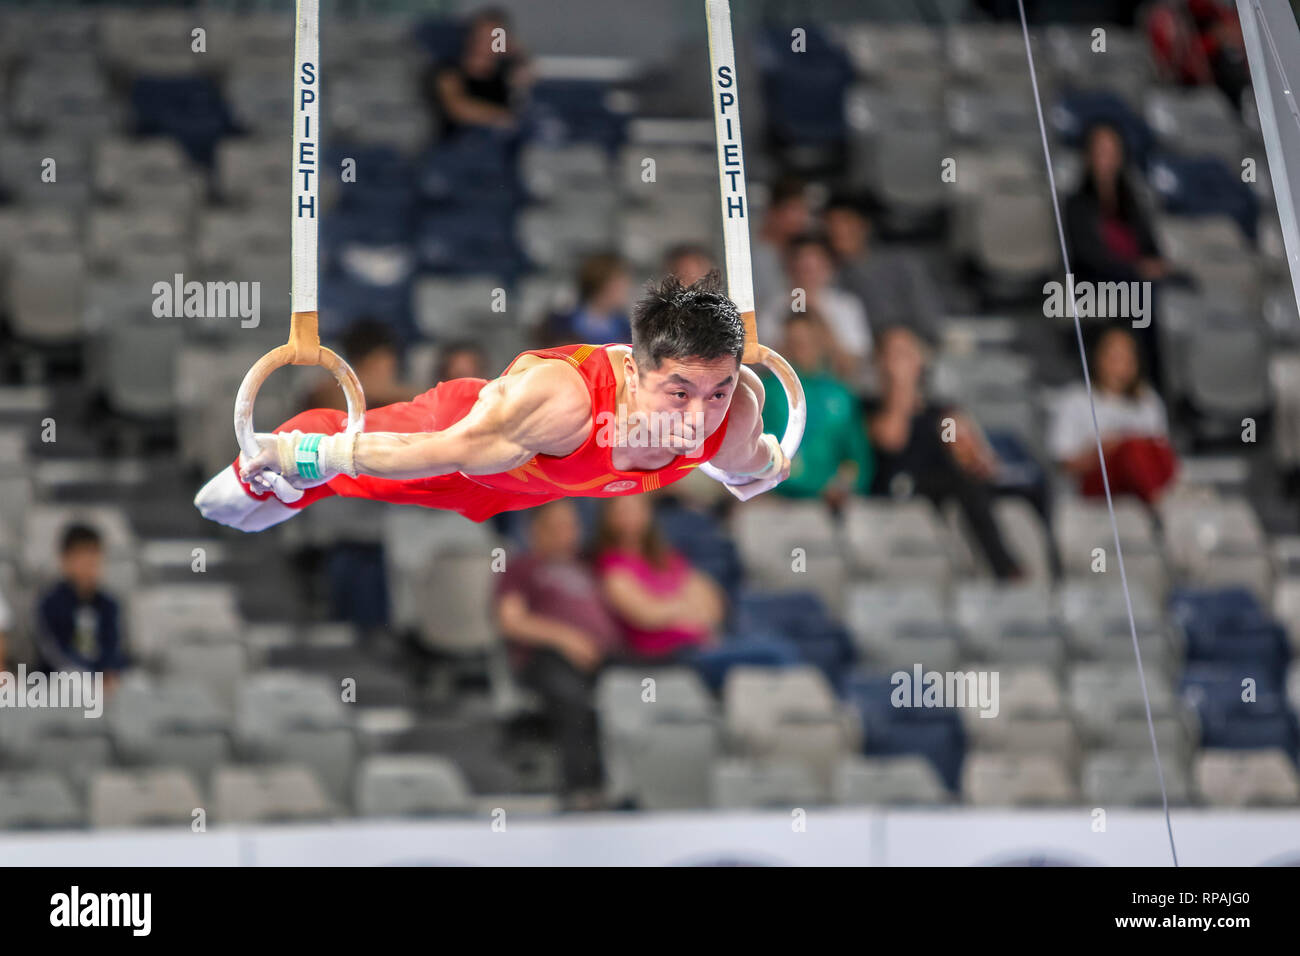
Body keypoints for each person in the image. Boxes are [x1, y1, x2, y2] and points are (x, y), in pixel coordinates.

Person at [194, 271, 792, 532]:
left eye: (716, 392)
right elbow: (440, 451)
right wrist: (314, 456)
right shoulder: (560, 403)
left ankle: (289, 475)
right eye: (679, 393)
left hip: (523, 492)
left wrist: (767, 465)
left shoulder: (734, 413)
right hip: (467, 444)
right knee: (300, 468)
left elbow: (755, 468)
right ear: (634, 373)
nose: (696, 418)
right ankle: (269, 465)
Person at [867, 326, 1022, 580]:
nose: (899, 362)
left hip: (946, 486)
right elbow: (890, 441)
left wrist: (970, 451)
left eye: (906, 354)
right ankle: (1005, 569)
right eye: (893, 354)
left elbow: (976, 458)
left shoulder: (942, 412)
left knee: (981, 484)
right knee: (963, 486)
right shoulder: (870, 406)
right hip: (897, 483)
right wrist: (901, 390)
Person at [495, 499, 617, 809]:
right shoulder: (520, 567)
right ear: (535, 530)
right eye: (557, 526)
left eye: (572, 526)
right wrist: (566, 639)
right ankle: (584, 791)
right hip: (545, 658)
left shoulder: (587, 567)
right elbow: (512, 621)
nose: (567, 534)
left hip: (604, 658)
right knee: (572, 699)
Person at [1050, 327, 1178, 505]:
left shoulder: (1148, 400)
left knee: (1148, 451)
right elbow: (1064, 463)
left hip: (1140, 478)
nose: (1119, 363)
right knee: (1131, 450)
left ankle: (1153, 496)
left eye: (1126, 356)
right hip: (1096, 481)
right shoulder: (1074, 400)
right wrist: (1102, 452)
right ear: (1098, 358)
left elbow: (1160, 453)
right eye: (1113, 356)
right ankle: (1154, 501)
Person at [761, 311, 873, 509]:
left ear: (822, 342)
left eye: (807, 341)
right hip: (774, 499)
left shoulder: (842, 394)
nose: (801, 349)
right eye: (794, 342)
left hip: (831, 503)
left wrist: (842, 486)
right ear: (784, 344)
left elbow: (858, 458)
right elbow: (749, 449)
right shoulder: (764, 391)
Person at [593, 495, 724, 660]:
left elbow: (711, 603)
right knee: (764, 655)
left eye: (636, 508)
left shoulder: (667, 558)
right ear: (608, 516)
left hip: (702, 644)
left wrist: (671, 608)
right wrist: (685, 607)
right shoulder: (613, 566)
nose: (631, 516)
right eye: (623, 510)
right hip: (662, 652)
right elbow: (645, 614)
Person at [823, 194, 943, 345]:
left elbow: (929, 322)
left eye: (845, 222)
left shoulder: (903, 265)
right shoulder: (825, 273)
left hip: (905, 354)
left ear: (864, 225)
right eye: (832, 224)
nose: (838, 231)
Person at [760, 232, 871, 380]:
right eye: (802, 269)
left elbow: (852, 366)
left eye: (814, 269)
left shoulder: (846, 306)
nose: (808, 276)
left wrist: (817, 320)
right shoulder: (774, 307)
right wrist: (795, 325)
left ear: (829, 269)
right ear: (789, 269)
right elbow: (761, 364)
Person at [34, 524, 128, 689]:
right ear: (65, 560)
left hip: (102, 679)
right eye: (81, 556)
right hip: (59, 679)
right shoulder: (49, 604)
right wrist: (87, 674)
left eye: (94, 555)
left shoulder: (110, 604)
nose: (89, 563)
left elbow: (114, 645)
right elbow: (52, 651)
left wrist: (108, 670)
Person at [423, 6, 533, 139]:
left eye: (496, 36)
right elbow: (458, 108)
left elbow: (526, 83)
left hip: (500, 141)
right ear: (471, 37)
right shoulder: (449, 71)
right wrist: (502, 117)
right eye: (483, 36)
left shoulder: (505, 71)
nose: (488, 42)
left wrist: (516, 54)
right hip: (459, 143)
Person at [302, 318, 418, 413]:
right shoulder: (329, 391)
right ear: (364, 363)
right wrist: (364, 388)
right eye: (379, 367)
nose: (389, 373)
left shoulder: (396, 397)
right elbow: (343, 425)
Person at [538, 253, 634, 347]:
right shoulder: (560, 323)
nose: (626, 289)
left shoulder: (627, 330)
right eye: (619, 285)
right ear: (604, 286)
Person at [752, 177, 812, 306]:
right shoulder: (752, 255)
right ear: (773, 212)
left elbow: (799, 304)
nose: (801, 218)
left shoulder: (806, 252)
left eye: (804, 210)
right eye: (794, 210)